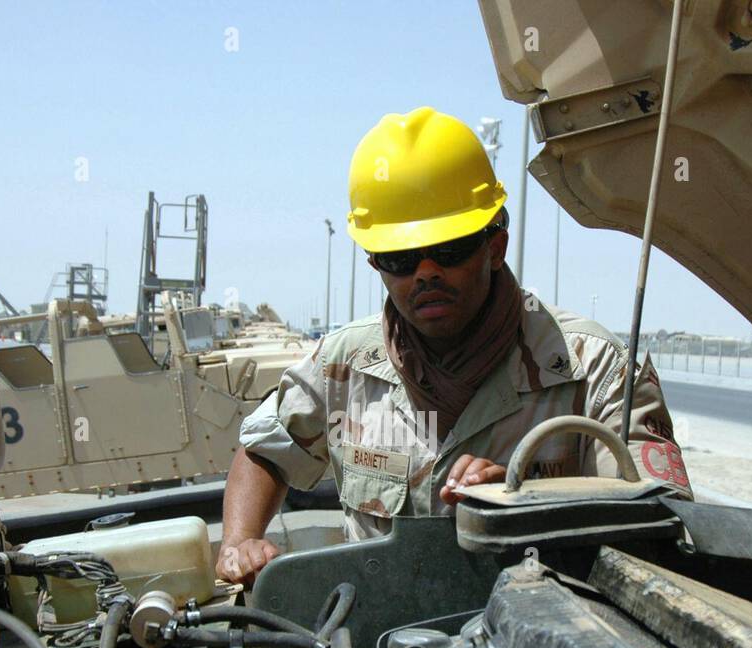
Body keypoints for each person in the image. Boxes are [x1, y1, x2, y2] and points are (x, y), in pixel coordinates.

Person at [217, 106, 690, 586]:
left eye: (448, 251)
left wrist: (526, 501)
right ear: (376, 264)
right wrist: (239, 541)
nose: (426, 274)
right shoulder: (343, 365)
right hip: (377, 642)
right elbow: (265, 449)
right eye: (401, 259)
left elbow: (665, 525)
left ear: (495, 248)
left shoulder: (592, 368)